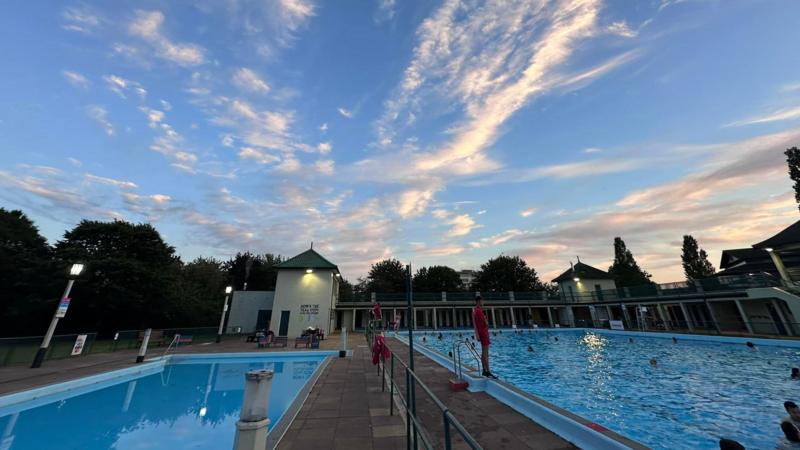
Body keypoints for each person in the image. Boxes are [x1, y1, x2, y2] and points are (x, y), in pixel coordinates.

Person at [473, 295, 497, 378]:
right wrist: (486, 320)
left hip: (480, 333)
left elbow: (475, 324)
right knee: (486, 353)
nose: (483, 303)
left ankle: (484, 370)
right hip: (484, 332)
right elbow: (486, 323)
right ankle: (488, 371)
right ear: (479, 302)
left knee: (483, 352)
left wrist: (477, 334)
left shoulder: (475, 311)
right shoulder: (479, 311)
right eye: (482, 301)